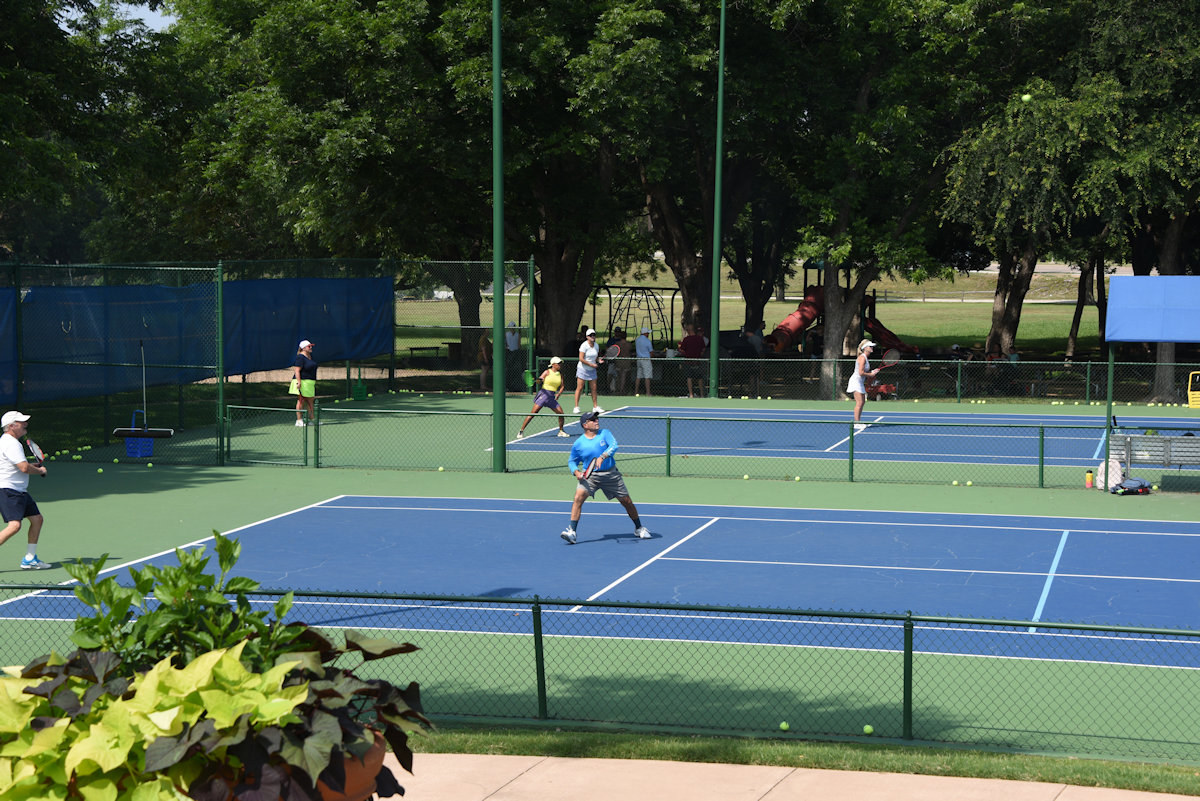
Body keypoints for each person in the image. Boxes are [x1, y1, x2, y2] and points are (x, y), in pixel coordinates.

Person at [560, 411, 651, 544]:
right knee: (578, 498)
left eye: (596, 418)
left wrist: (603, 456)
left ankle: (639, 528)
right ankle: (572, 532)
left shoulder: (605, 433)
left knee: (626, 502)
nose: (597, 421)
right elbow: (572, 461)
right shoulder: (578, 444)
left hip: (611, 474)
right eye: (593, 419)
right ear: (585, 425)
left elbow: (614, 445)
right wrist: (576, 472)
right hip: (590, 476)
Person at [0, 411, 49, 569]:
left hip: (19, 490)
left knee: (37, 519)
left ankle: (30, 558)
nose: (25, 424)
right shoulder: (11, 443)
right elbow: (23, 467)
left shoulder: (8, 442)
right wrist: (40, 471)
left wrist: (31, 466)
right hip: (10, 490)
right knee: (15, 526)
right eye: (21, 422)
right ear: (12, 426)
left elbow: (20, 465)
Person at [518, 356, 570, 438]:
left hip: (552, 397)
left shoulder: (560, 375)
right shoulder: (547, 372)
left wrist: (558, 394)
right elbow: (540, 380)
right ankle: (521, 431)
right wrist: (539, 380)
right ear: (553, 364)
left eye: (560, 363)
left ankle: (561, 431)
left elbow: (562, 386)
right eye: (558, 363)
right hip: (544, 395)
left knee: (561, 414)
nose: (560, 365)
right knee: (533, 413)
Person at [846, 338, 879, 431]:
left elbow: (865, 371)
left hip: (859, 381)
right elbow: (860, 372)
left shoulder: (865, 358)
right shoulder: (862, 358)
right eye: (870, 346)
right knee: (859, 402)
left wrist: (872, 372)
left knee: (862, 402)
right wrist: (870, 374)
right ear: (865, 348)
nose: (872, 347)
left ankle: (858, 421)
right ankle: (856, 423)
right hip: (855, 381)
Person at [572, 328, 605, 414]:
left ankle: (595, 407)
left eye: (594, 335)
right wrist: (591, 364)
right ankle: (576, 407)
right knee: (580, 388)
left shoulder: (596, 345)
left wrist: (598, 360)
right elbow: (581, 358)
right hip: (583, 369)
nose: (593, 337)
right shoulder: (584, 346)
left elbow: (596, 357)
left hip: (592, 370)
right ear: (587, 337)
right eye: (591, 335)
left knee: (594, 388)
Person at [677, 323, 706, 398]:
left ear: (688, 331)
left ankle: (691, 394)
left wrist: (682, 351)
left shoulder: (686, 339)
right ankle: (702, 394)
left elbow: (682, 350)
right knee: (700, 378)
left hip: (688, 361)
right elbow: (703, 349)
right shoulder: (700, 339)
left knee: (689, 377)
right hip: (698, 361)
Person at [292, 340, 317, 426]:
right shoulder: (300, 357)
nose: (311, 348)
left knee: (310, 401)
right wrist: (299, 382)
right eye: (309, 346)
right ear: (303, 348)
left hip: (310, 382)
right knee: (301, 400)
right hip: (302, 381)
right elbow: (297, 370)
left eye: (311, 346)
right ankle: (299, 420)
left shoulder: (310, 356)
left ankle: (311, 420)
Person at [607, 328, 632, 394]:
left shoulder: (617, 343)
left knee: (619, 375)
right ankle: (621, 389)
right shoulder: (628, 344)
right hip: (626, 361)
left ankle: (619, 389)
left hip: (619, 361)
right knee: (623, 375)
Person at [634, 326, 654, 396]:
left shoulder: (637, 340)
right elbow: (651, 352)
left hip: (639, 359)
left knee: (638, 376)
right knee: (647, 376)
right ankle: (648, 392)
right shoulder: (647, 341)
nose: (648, 334)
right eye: (647, 333)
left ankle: (636, 391)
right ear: (645, 333)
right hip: (646, 359)